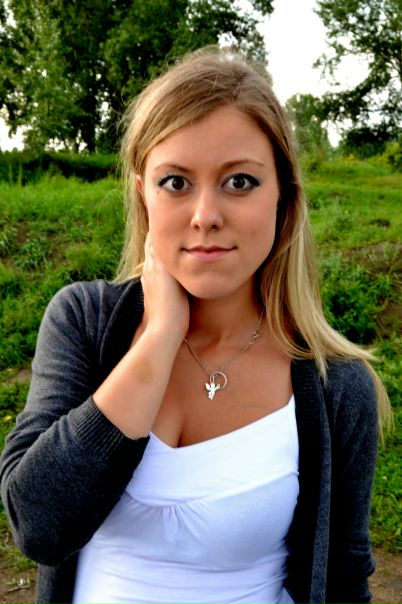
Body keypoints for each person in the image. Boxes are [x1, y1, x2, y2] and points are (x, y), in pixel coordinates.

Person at [0, 47, 392, 604]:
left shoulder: (336, 386)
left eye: (240, 181)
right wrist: (159, 338)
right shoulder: (82, 322)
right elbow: (38, 525)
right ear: (143, 193)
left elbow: (345, 579)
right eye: (176, 183)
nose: (206, 215)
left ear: (282, 195)